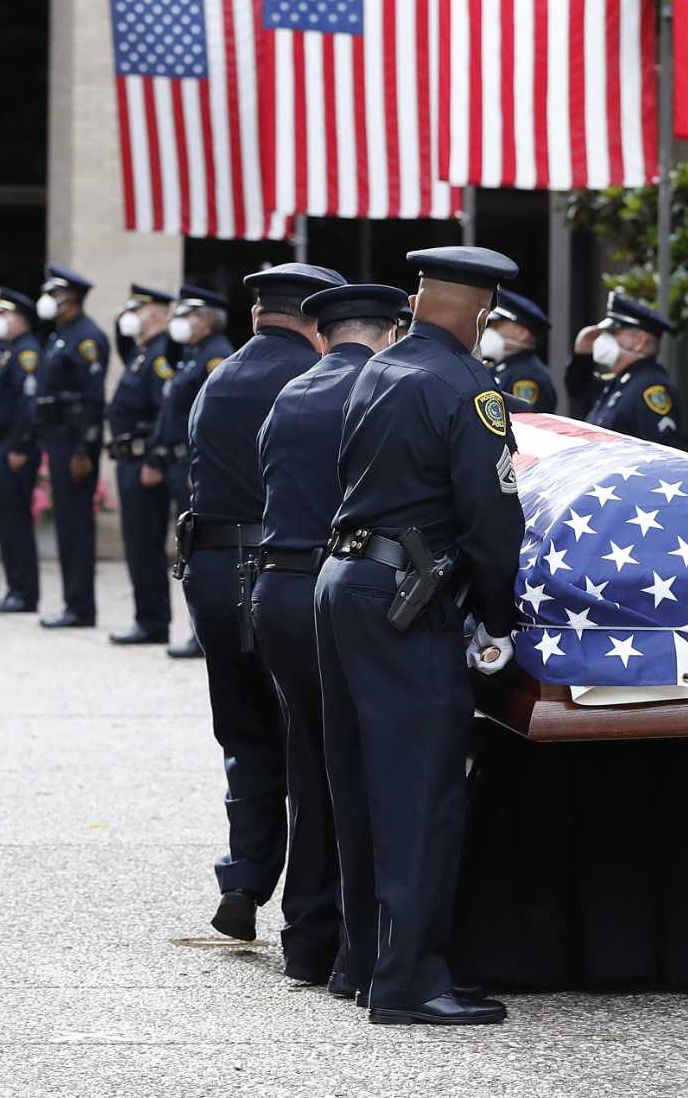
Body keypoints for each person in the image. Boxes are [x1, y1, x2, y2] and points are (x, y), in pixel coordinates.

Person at [317, 245, 521, 1026]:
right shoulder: (468, 387)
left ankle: (361, 962)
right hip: (406, 600)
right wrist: (498, 618)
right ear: (481, 312)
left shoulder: (379, 368)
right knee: (421, 789)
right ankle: (409, 982)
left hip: (345, 583)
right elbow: (492, 520)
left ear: (418, 297)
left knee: (358, 782)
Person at [180, 262, 343, 943]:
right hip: (284, 572)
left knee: (244, 732)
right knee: (310, 738)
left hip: (214, 570)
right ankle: (312, 907)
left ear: (256, 315)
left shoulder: (216, 379)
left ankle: (244, 879)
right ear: (317, 322)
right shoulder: (316, 381)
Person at [254, 281, 409, 991]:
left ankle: (307, 938)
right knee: (357, 770)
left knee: (309, 766)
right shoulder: (379, 390)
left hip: (277, 590)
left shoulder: (292, 392)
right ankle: (356, 948)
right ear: (389, 334)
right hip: (339, 590)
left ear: (322, 335)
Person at [147, 285, 233, 659]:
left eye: (187, 315)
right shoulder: (191, 355)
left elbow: (214, 421)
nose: (178, 322)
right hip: (175, 461)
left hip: (191, 464)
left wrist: (202, 464)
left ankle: (203, 633)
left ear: (206, 320)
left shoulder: (216, 358)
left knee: (197, 553)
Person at [31, 265, 108, 629]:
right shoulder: (59, 335)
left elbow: (93, 400)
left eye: (54, 294)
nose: (48, 301)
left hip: (75, 442)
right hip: (58, 438)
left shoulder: (87, 337)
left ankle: (81, 607)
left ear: (71, 298)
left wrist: (83, 450)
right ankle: (72, 602)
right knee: (66, 524)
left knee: (76, 526)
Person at [107, 284, 180, 646]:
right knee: (138, 544)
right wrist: (120, 324)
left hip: (144, 463)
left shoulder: (162, 354)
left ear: (153, 313)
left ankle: (153, 621)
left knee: (146, 545)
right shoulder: (143, 352)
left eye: (135, 310)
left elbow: (166, 413)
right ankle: (147, 617)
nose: (129, 316)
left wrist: (154, 458)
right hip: (131, 461)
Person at [0, 288, 43, 615]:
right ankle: (14, 588)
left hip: (12, 447)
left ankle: (23, 592)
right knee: (5, 522)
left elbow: (28, 405)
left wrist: (20, 445)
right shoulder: (8, 350)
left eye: (5, 314)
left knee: (15, 522)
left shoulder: (26, 351)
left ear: (22, 319)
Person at [565, 291, 679, 446]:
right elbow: (580, 391)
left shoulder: (650, 388)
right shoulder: (621, 381)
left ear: (640, 341)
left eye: (613, 332)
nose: (603, 338)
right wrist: (582, 357)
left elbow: (659, 452)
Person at [477, 287, 557, 413]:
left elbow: (523, 420)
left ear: (521, 333)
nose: (489, 331)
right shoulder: (503, 368)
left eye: (496, 326)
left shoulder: (527, 375)